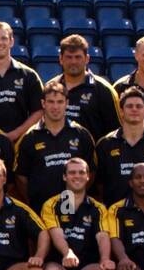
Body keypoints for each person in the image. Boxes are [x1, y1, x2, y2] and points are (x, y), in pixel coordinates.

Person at [13, 80, 97, 209]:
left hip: (72, 209)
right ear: (43, 103)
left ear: (67, 103)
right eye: (51, 102)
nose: (55, 107)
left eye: (60, 102)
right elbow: (21, 177)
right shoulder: (29, 137)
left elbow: (91, 172)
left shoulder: (81, 134)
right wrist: (33, 199)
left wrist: (76, 196)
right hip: (39, 208)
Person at [94, 86, 144, 206]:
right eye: (129, 106)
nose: (134, 109)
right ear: (121, 111)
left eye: (139, 106)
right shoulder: (105, 144)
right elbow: (99, 184)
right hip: (113, 215)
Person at [49, 33, 121, 140]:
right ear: (61, 59)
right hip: (56, 154)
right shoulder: (50, 87)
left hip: (91, 155)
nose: (73, 62)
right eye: (69, 57)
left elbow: (115, 132)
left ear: (87, 59)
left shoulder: (104, 90)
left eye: (78, 57)